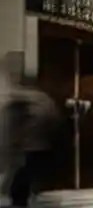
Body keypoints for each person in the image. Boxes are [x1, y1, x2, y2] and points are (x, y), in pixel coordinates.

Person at [2, 74, 60, 208]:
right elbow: (53, 120)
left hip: (28, 145)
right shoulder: (44, 100)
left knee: (21, 176)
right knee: (26, 175)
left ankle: (19, 199)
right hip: (39, 144)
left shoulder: (22, 99)